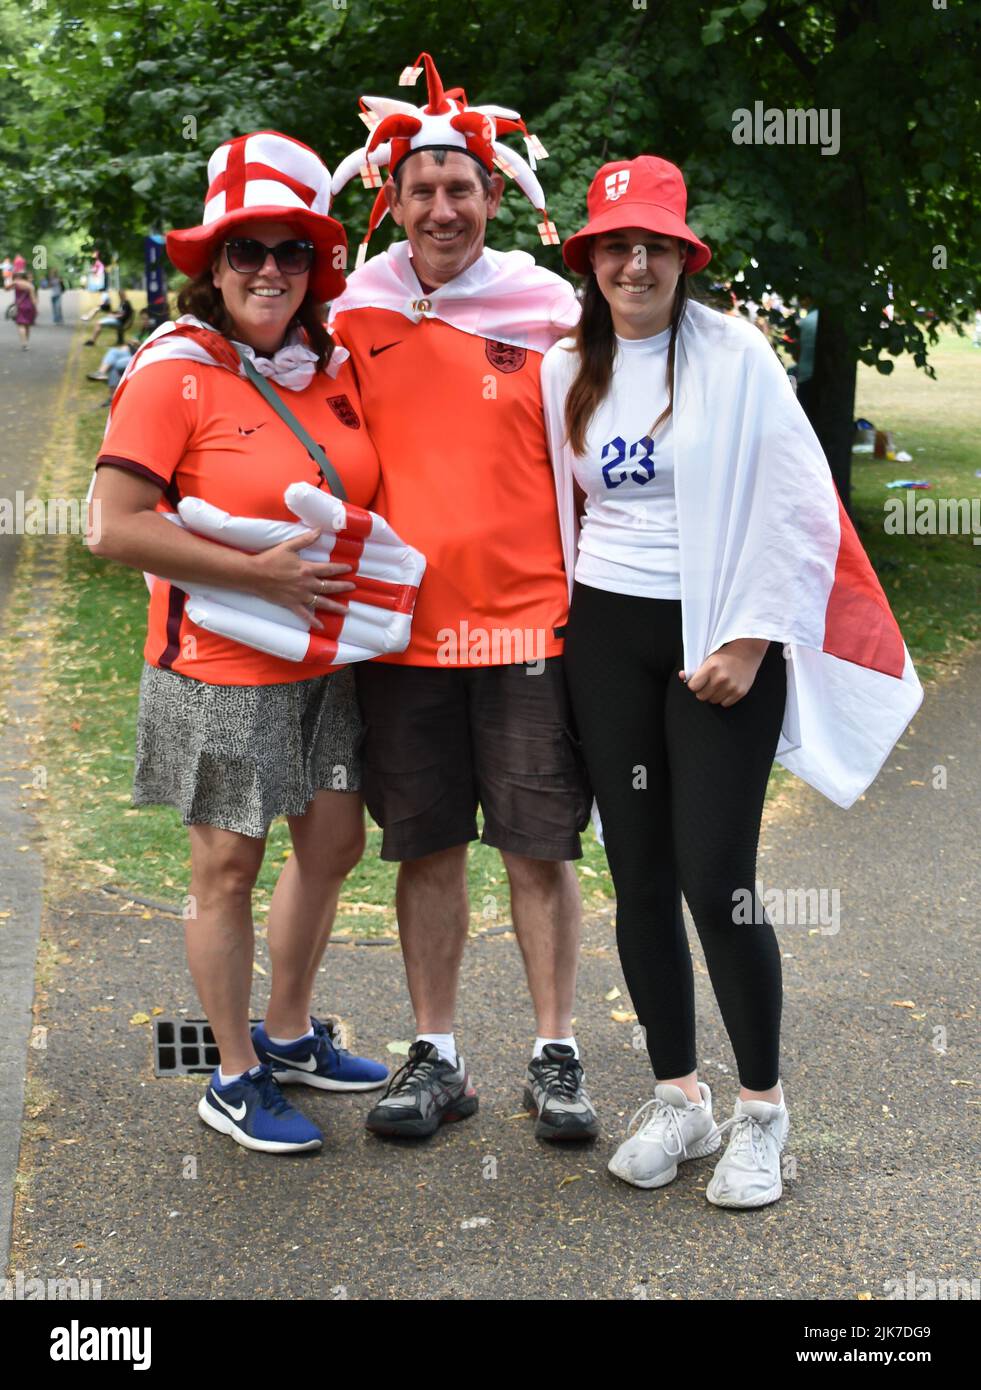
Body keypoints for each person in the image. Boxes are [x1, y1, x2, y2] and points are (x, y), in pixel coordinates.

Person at [542, 156, 922, 1207]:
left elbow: (799, 506)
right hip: (607, 634)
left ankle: (763, 1111)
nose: (633, 261)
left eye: (653, 244)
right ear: (590, 259)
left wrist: (752, 639)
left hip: (720, 636)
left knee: (719, 877)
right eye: (615, 244)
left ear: (682, 256)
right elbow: (559, 513)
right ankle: (681, 1098)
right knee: (639, 872)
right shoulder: (562, 366)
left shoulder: (738, 356)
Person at [86, 130, 390, 1155]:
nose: (269, 269)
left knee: (336, 843)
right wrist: (257, 574)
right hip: (219, 672)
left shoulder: (330, 366)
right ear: (214, 267)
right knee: (226, 866)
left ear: (317, 267)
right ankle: (233, 1071)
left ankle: (293, 1032)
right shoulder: (175, 371)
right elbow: (111, 523)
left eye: (290, 251)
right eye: (246, 250)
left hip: (328, 660)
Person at [327, 53, 598, 1142]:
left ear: (496, 197)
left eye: (463, 188)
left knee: (539, 847)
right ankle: (435, 1054)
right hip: (401, 633)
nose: (443, 207)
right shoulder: (354, 307)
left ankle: (556, 1052)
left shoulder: (548, 307)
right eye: (422, 189)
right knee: (425, 845)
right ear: (391, 198)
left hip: (529, 622)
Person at [86, 307, 153, 405]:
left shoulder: (155, 332)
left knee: (117, 364)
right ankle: (101, 372)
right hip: (134, 353)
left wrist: (138, 344)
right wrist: (131, 343)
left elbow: (151, 350)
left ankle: (112, 398)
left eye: (146, 319)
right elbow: (134, 340)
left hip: (143, 358)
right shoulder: (144, 330)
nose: (144, 321)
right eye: (142, 319)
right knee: (113, 351)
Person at [10, 256, 37, 349]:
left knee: (21, 325)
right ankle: (27, 342)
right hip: (29, 307)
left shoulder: (16, 283)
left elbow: (6, 288)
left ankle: (24, 343)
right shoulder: (30, 286)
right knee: (27, 325)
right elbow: (33, 299)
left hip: (20, 306)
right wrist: (36, 309)